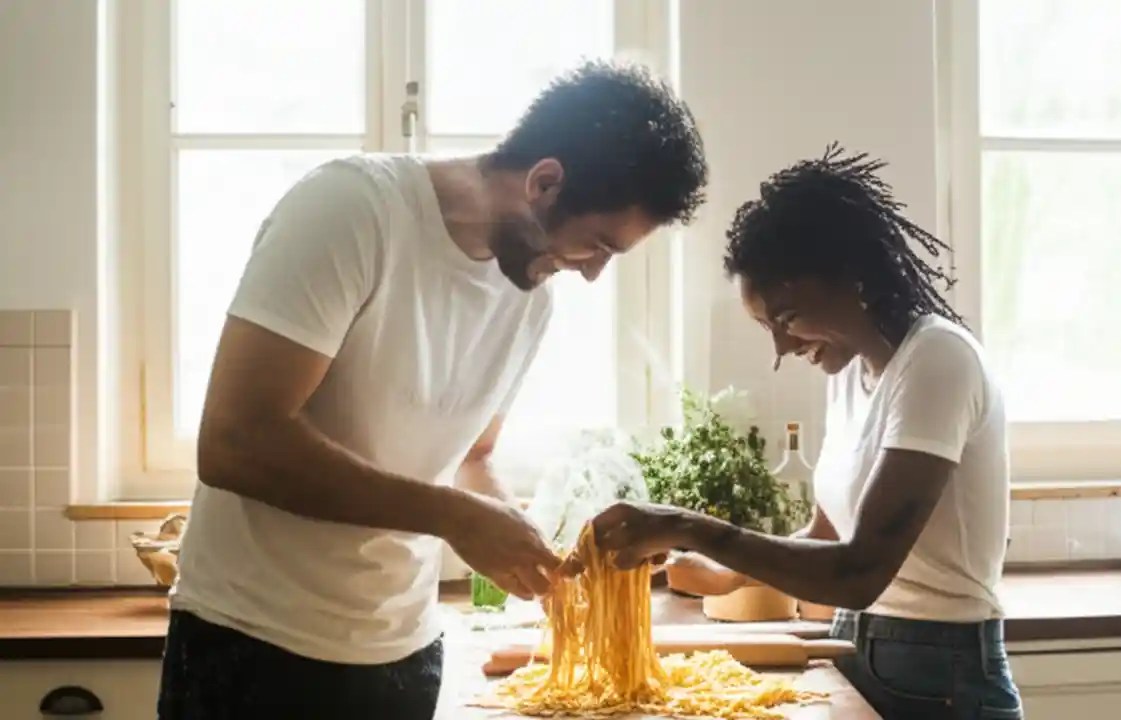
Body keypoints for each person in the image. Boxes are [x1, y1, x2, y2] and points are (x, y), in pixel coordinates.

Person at [158, 61, 707, 720]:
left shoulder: (527, 297)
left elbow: (472, 457)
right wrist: (453, 517)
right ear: (545, 181)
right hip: (252, 647)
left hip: (404, 656)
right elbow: (235, 440)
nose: (591, 274)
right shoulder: (354, 211)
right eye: (596, 245)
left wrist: (525, 544)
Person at [590, 144, 1022, 719]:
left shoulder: (938, 361)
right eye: (769, 327)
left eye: (788, 319)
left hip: (942, 671)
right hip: (859, 648)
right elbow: (829, 530)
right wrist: (727, 574)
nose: (782, 348)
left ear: (853, 280)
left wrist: (687, 527)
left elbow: (859, 571)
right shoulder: (850, 370)